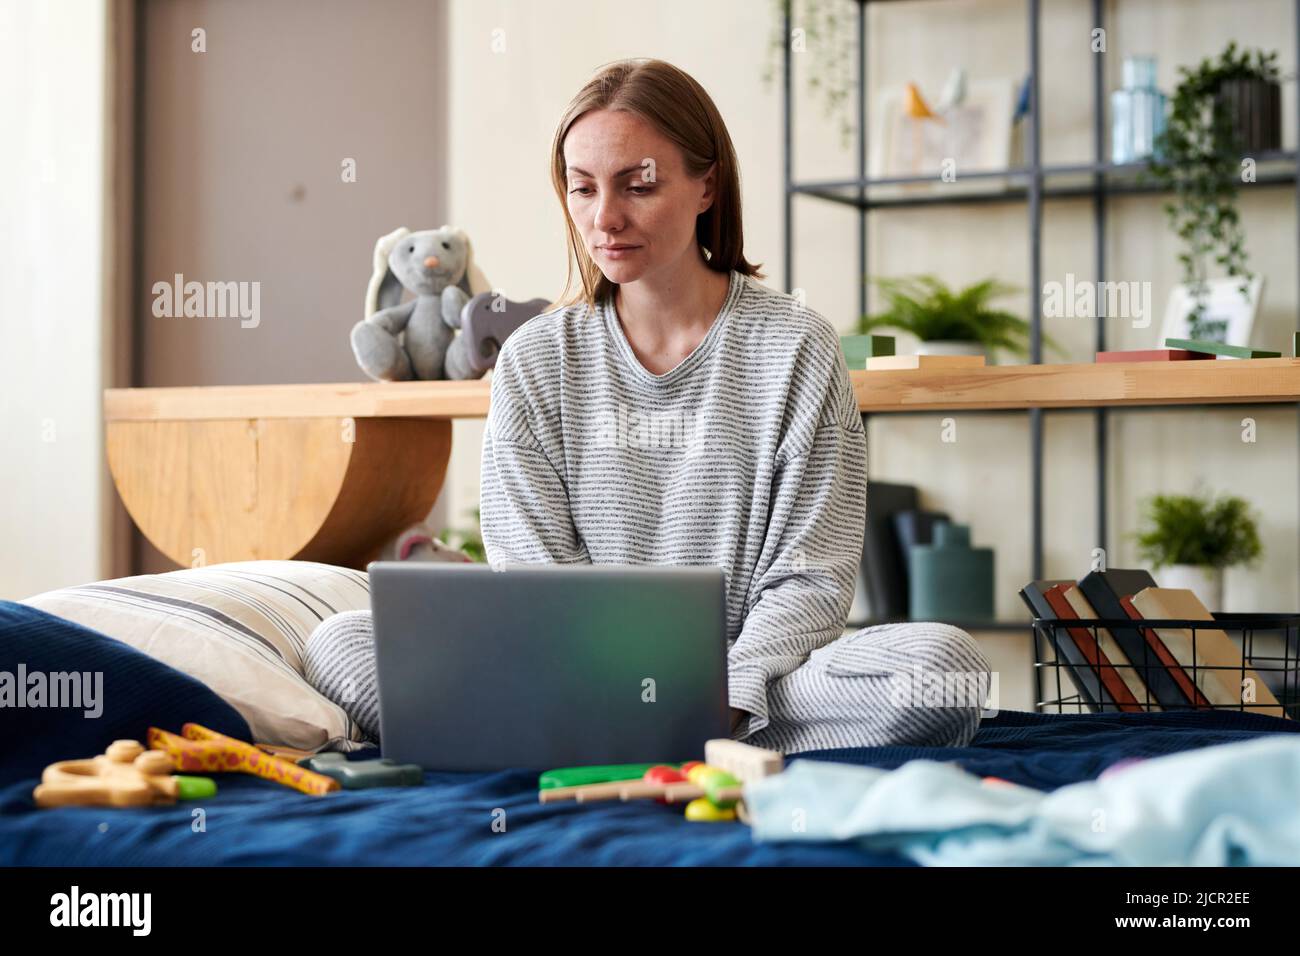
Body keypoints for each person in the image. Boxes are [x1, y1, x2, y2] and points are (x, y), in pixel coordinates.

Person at [304, 57, 992, 753]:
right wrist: (611, 691)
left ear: (706, 186)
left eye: (639, 184)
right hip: (575, 677)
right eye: (582, 188)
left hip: (751, 689)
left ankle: (591, 736)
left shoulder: (796, 346)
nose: (605, 218)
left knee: (944, 670)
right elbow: (536, 575)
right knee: (339, 643)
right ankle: (607, 730)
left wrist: (715, 702)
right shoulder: (536, 359)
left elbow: (809, 581)